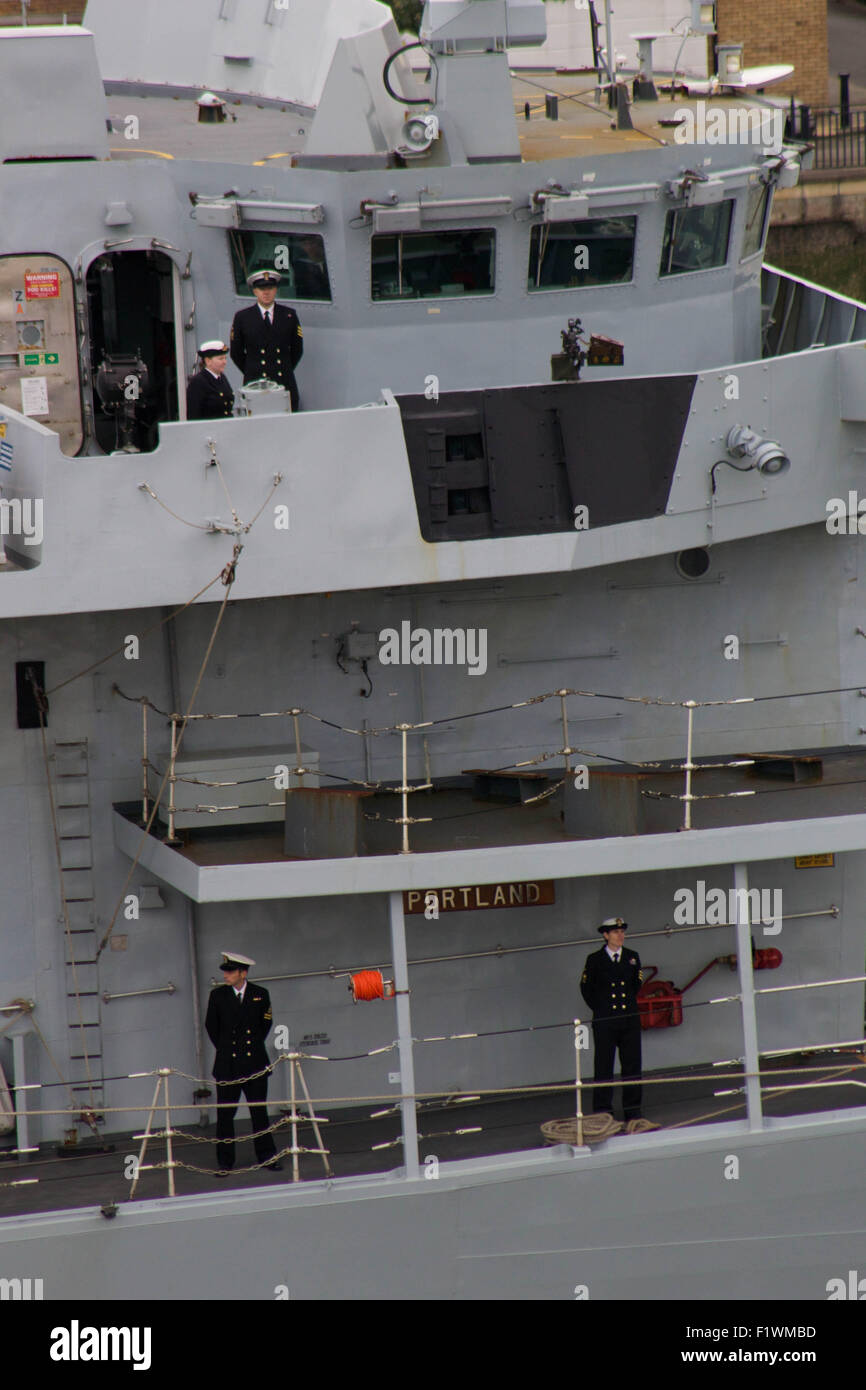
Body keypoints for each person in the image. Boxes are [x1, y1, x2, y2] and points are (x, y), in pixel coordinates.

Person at [205, 951, 282, 1174]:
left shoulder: (260, 994)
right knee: (225, 1116)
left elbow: (265, 1025)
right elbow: (212, 1027)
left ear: (243, 973)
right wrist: (228, 1049)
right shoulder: (218, 996)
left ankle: (267, 1157)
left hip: (254, 1063)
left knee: (259, 1113)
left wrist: (251, 1046)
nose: (226, 975)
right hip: (228, 1065)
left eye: (230, 972)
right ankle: (225, 1162)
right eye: (225, 972)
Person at [580, 917, 644, 1122]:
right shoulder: (594, 960)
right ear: (605, 935)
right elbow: (586, 989)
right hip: (605, 1021)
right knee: (603, 1067)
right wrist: (602, 1009)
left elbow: (636, 985)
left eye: (622, 931)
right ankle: (603, 1111)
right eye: (615, 932)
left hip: (629, 1020)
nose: (620, 935)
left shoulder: (632, 957)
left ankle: (632, 1110)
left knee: (632, 1066)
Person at [230, 269, 303, 411]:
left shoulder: (289, 315)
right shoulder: (243, 317)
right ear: (254, 291)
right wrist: (253, 370)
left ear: (275, 290)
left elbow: (297, 349)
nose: (266, 292)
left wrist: (284, 368)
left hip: (284, 382)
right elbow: (236, 353)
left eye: (270, 288)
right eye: (261, 288)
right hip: (256, 384)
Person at [186, 341, 234, 421]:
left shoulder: (222, 377)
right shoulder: (198, 382)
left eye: (225, 358)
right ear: (208, 361)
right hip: (209, 431)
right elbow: (194, 416)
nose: (224, 362)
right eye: (220, 359)